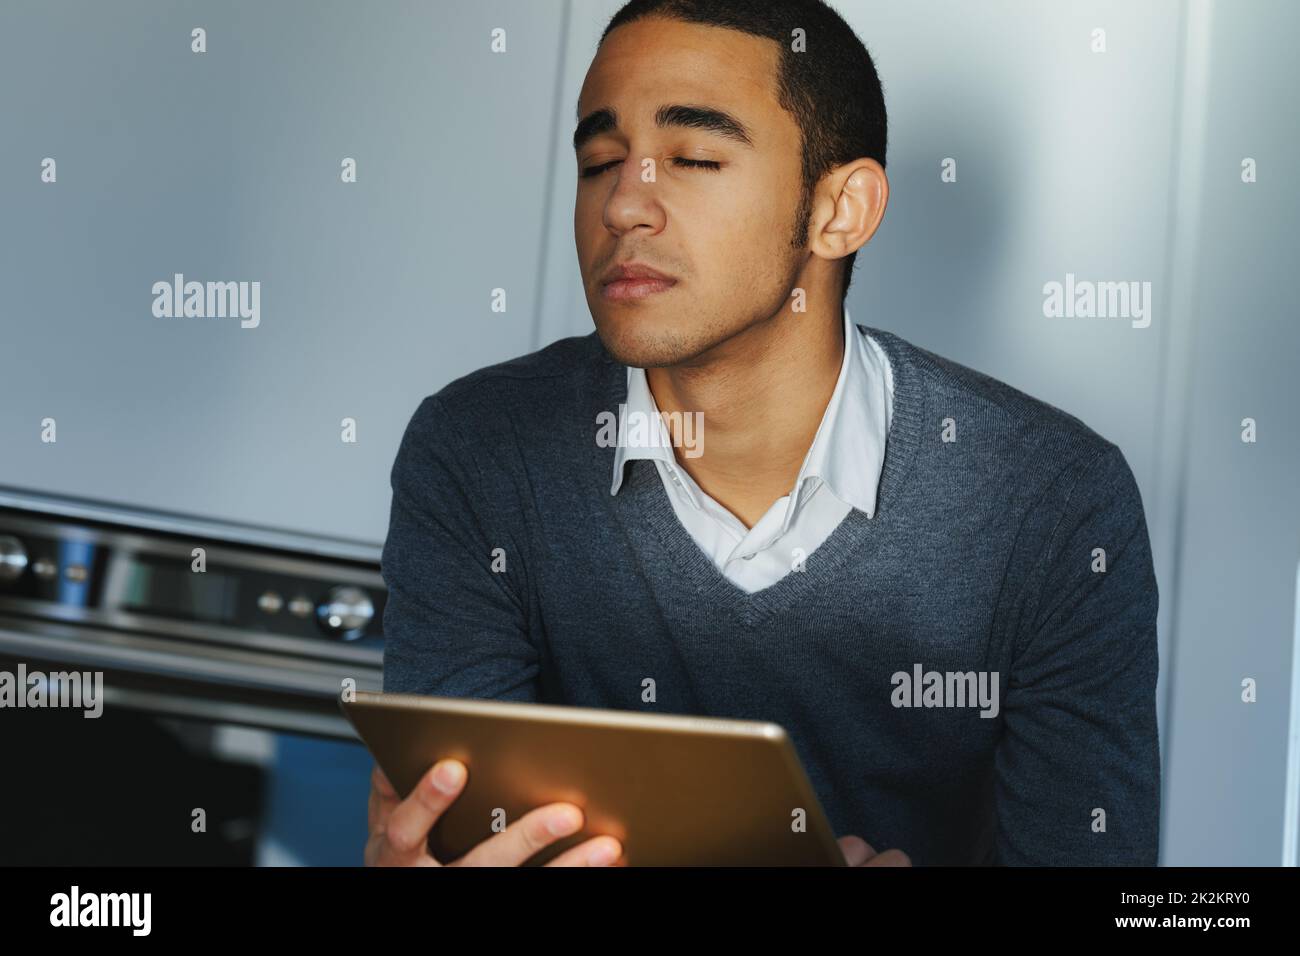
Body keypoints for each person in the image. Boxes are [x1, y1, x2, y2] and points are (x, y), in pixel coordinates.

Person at [367, 0, 1160, 867]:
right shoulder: (480, 450)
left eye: (695, 158)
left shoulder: (1054, 505)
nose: (625, 205)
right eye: (600, 161)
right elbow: (469, 833)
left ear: (841, 211)